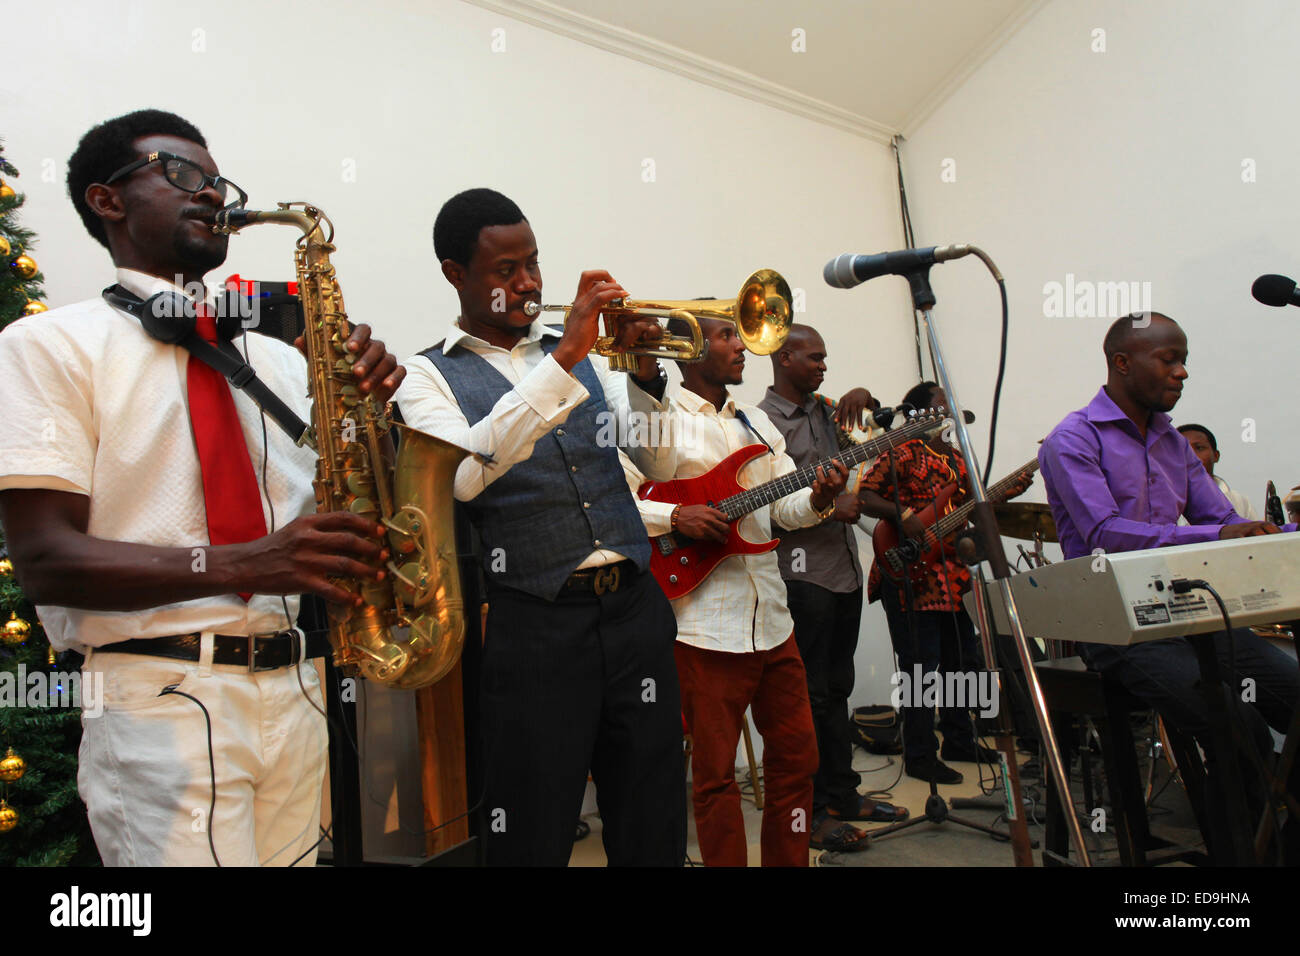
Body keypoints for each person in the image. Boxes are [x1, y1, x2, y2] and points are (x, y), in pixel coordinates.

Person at [0, 109, 404, 866]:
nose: (213, 195)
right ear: (106, 200)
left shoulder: (282, 363)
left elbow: (350, 508)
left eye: (218, 182)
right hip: (156, 696)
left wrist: (372, 417)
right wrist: (243, 565)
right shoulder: (45, 347)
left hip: (298, 689)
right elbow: (46, 560)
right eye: (181, 174)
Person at [393, 188, 685, 866]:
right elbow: (463, 478)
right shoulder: (425, 376)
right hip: (535, 626)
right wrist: (562, 365)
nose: (527, 283)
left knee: (654, 819)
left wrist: (643, 370)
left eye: (533, 263)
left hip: (636, 614)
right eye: (504, 270)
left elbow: (660, 458)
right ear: (454, 274)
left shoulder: (580, 353)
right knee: (531, 828)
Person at [1038, 311, 1299, 854]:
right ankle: (1249, 858)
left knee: (1294, 694)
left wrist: (1260, 531)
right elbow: (1106, 534)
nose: (1181, 372)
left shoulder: (1174, 443)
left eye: (1184, 361)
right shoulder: (1072, 439)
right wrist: (1219, 534)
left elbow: (1220, 518)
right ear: (1122, 363)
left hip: (1189, 615)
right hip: (1117, 628)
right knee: (1234, 721)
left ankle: (1282, 841)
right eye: (1169, 359)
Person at [636, 313, 848, 866]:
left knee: (797, 762)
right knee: (713, 779)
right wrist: (675, 514)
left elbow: (785, 510)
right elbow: (620, 502)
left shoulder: (757, 423)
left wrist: (821, 498)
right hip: (705, 627)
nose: (743, 345)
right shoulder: (656, 420)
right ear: (690, 349)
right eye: (727, 336)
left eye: (739, 334)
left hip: (774, 620)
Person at [757, 324, 908, 852]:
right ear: (783, 357)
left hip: (841, 570)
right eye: (814, 357)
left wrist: (867, 402)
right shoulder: (763, 422)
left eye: (825, 357)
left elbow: (869, 445)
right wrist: (827, 504)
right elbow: (767, 506)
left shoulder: (825, 411)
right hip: (801, 576)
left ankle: (844, 794)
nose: (823, 365)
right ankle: (815, 813)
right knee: (811, 698)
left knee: (837, 690)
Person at [857, 381, 1030, 785]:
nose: (945, 415)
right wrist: (903, 515)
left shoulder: (958, 460)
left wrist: (1008, 489)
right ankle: (919, 754)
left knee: (962, 664)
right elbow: (865, 497)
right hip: (909, 571)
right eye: (936, 408)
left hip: (953, 576)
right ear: (916, 414)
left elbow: (975, 505)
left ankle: (960, 738)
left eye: (946, 409)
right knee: (921, 669)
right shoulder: (901, 451)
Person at [1176, 423, 1259, 519]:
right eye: (1183, 450)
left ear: (1216, 456)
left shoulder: (1240, 502)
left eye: (1199, 448)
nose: (1192, 456)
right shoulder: (1161, 502)